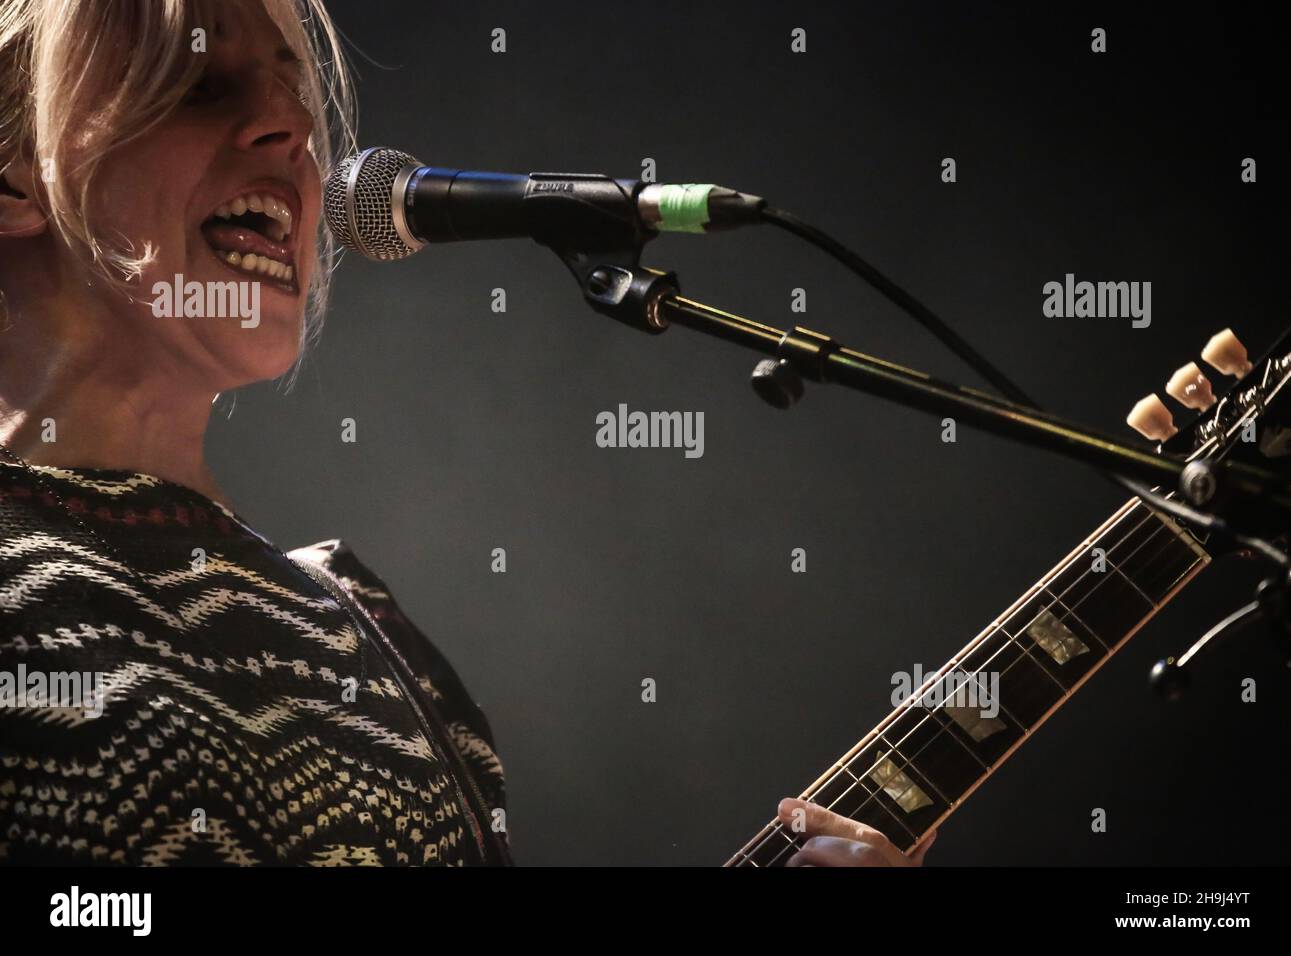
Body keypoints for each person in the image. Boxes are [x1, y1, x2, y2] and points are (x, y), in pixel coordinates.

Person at [0, 0, 926, 867]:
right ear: (13, 166)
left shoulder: (373, 637)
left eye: (293, 92)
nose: (292, 132)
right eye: (199, 84)